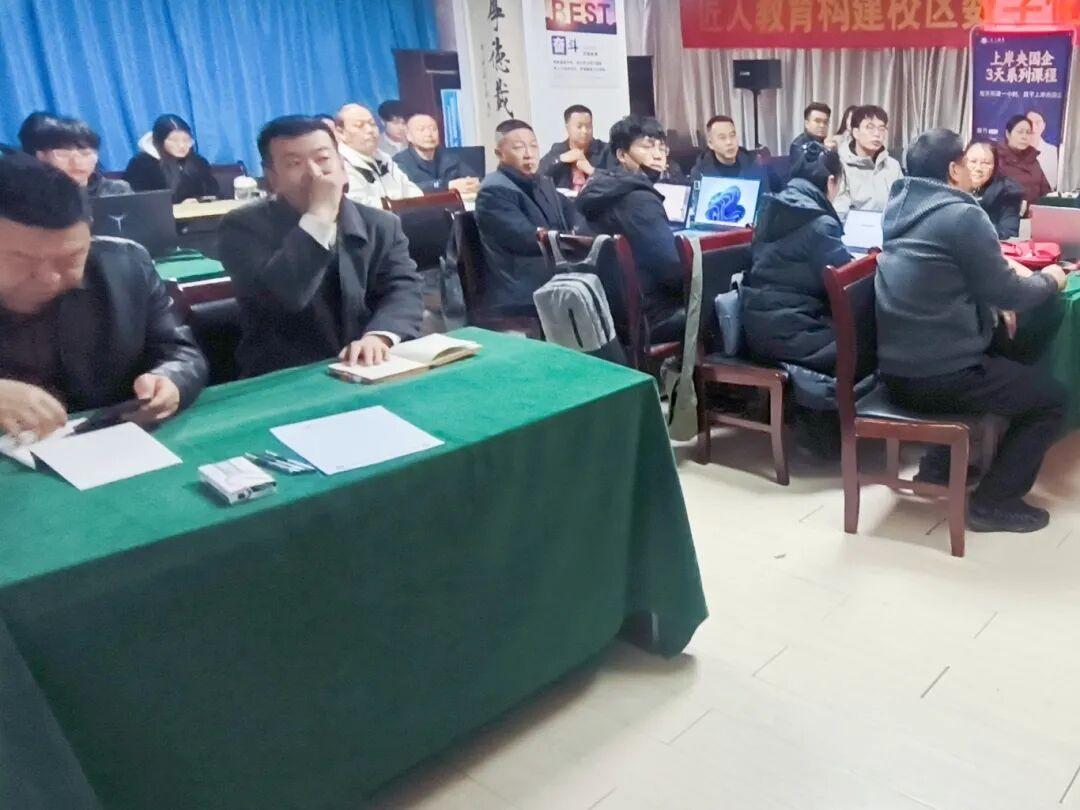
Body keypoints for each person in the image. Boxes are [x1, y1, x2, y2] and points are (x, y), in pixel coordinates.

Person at [875, 128, 1068, 533]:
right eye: (966, 160)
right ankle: (994, 502)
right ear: (953, 169)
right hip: (941, 374)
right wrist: (1051, 278)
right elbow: (1009, 292)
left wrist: (993, 299)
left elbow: (940, 276)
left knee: (1009, 346)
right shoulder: (961, 214)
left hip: (895, 367)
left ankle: (939, 464)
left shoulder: (900, 206)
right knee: (1051, 399)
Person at [0, 154, 207, 438]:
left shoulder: (125, 265)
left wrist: (169, 380)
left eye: (70, 258)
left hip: (112, 442)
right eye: (22, 260)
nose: (50, 277)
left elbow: (180, 352)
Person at [218, 116, 424, 378]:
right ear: (272, 178)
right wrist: (320, 215)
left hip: (367, 367)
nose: (314, 173)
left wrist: (378, 337)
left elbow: (403, 289)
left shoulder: (381, 224)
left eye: (323, 158)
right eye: (294, 163)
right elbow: (287, 296)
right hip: (283, 376)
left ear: (342, 166)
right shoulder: (241, 227)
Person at [741, 143, 851, 375]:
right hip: (796, 334)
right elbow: (848, 284)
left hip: (756, 330)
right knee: (867, 345)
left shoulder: (769, 209)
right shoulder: (821, 224)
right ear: (831, 182)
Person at [576, 115, 685, 342]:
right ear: (622, 155)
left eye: (662, 148)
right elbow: (673, 270)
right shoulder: (638, 199)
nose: (658, 155)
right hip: (648, 317)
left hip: (608, 313)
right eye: (647, 147)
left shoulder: (603, 187)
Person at [474, 119, 582, 313]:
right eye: (518, 148)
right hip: (522, 287)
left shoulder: (541, 182)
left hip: (554, 273)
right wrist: (573, 242)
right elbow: (528, 238)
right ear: (499, 153)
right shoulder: (493, 191)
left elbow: (573, 212)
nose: (528, 154)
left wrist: (581, 232)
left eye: (533, 146)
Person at [334, 103, 421, 209]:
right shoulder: (339, 165)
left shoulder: (384, 158)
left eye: (372, 124)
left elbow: (411, 190)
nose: (370, 130)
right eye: (359, 125)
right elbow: (359, 206)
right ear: (341, 133)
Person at [20, 114, 131, 197]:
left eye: (85, 154)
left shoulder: (115, 190)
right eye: (63, 154)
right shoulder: (29, 195)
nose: (76, 162)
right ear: (41, 156)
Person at [124, 114, 219, 202]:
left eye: (186, 140)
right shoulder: (142, 164)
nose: (182, 145)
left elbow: (214, 193)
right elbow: (138, 201)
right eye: (174, 140)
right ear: (160, 141)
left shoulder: (199, 162)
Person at [833, 105, 903, 220]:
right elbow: (839, 212)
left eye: (882, 129)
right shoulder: (840, 165)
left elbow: (900, 205)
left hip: (889, 228)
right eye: (870, 127)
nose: (877, 134)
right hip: (852, 228)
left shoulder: (893, 165)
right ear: (855, 132)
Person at [393, 113, 480, 195]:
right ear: (409, 136)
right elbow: (405, 190)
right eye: (421, 129)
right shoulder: (399, 162)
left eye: (433, 129)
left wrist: (473, 183)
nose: (429, 134)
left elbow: (475, 178)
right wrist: (447, 186)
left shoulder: (449, 157)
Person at [538, 104, 612, 192]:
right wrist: (560, 159)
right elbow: (537, 174)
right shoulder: (558, 149)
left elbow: (618, 180)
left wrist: (592, 171)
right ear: (567, 128)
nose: (584, 131)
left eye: (588, 126)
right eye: (579, 127)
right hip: (564, 199)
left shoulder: (605, 150)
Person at [966, 139, 1023, 239]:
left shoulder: (1008, 192)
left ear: (995, 166)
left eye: (985, 163)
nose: (978, 168)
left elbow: (1008, 232)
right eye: (973, 162)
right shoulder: (950, 186)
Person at [994, 115, 1051, 210]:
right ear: (1008, 134)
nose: (1024, 137)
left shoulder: (1033, 159)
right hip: (1007, 213)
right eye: (1020, 132)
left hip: (1034, 213)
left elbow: (1045, 191)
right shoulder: (997, 159)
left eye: (1028, 133)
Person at [1027, 110, 1058, 190]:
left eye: (1037, 122)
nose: (1033, 127)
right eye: (1029, 122)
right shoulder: (1013, 150)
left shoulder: (1053, 152)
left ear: (1043, 126)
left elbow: (1053, 183)